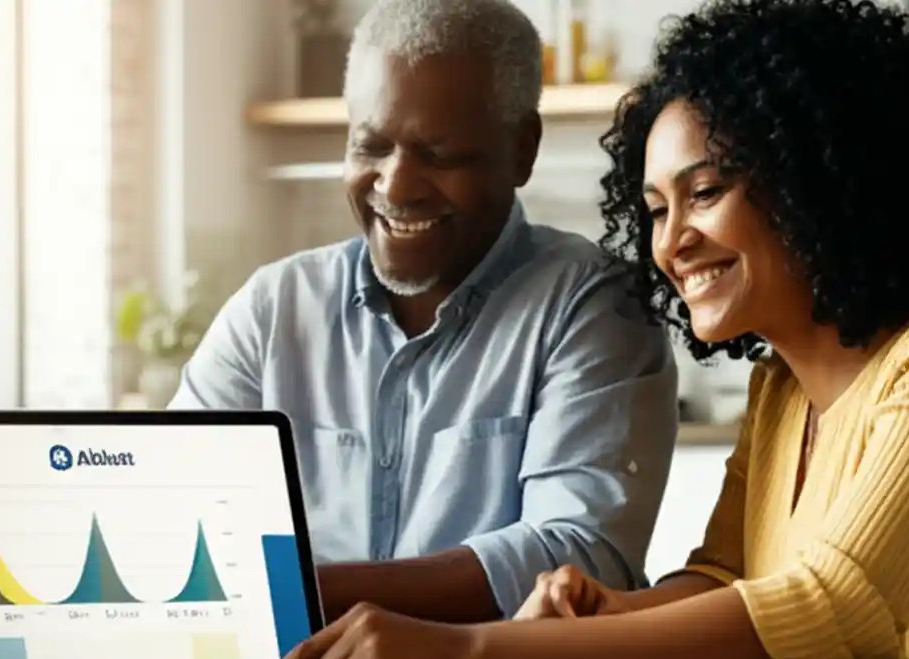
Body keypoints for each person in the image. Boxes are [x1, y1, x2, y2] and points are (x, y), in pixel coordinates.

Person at [244, 0, 909, 659]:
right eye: (653, 209)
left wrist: (468, 650)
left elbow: (832, 614)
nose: (671, 243)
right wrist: (610, 609)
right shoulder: (782, 391)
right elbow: (722, 578)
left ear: (819, 177)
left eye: (705, 193)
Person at [169, 0, 678, 626]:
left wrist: (293, 594)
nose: (397, 185)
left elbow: (579, 556)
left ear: (523, 149)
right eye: (371, 146)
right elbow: (173, 510)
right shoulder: (273, 310)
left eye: (439, 155)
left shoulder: (589, 306)